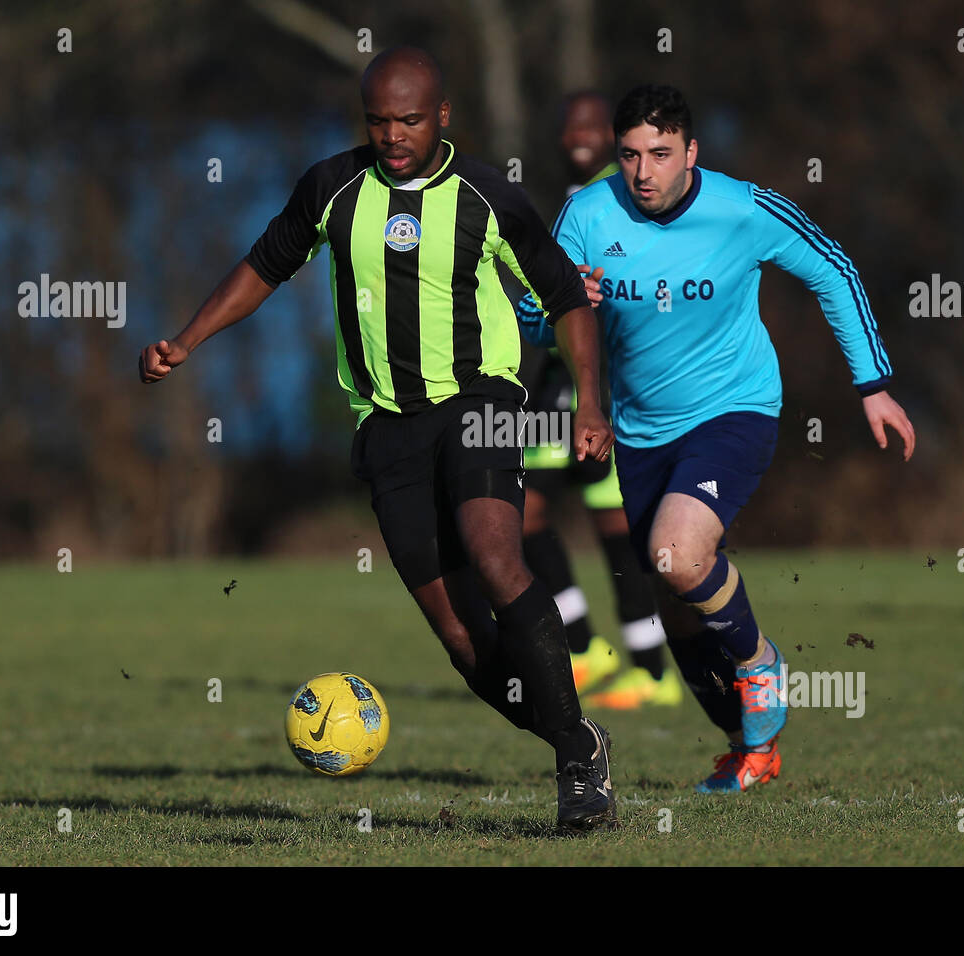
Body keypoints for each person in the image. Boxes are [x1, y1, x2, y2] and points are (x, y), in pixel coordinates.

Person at [138, 47, 617, 829]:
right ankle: (578, 738)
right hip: (386, 426)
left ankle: (575, 767)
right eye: (379, 119)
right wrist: (186, 342)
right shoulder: (332, 187)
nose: (394, 134)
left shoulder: (489, 196)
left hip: (482, 400)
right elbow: (264, 265)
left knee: (497, 557)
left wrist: (589, 403)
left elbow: (567, 299)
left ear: (443, 117)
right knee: (464, 643)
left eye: (410, 119)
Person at [521, 85, 915, 793]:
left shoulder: (742, 209)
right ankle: (748, 749)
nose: (643, 173)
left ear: (692, 152)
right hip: (640, 432)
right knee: (679, 613)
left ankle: (761, 661)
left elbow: (834, 269)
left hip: (735, 411)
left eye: (661, 155)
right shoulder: (586, 213)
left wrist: (873, 384)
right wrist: (560, 298)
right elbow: (525, 311)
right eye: (631, 156)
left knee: (674, 555)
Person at [516, 91, 680, 710]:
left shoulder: (629, 195)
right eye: (569, 126)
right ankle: (585, 646)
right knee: (523, 511)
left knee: (618, 527)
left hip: (615, 381)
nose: (578, 136)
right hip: (560, 382)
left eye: (591, 126)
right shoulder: (574, 201)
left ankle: (653, 670)